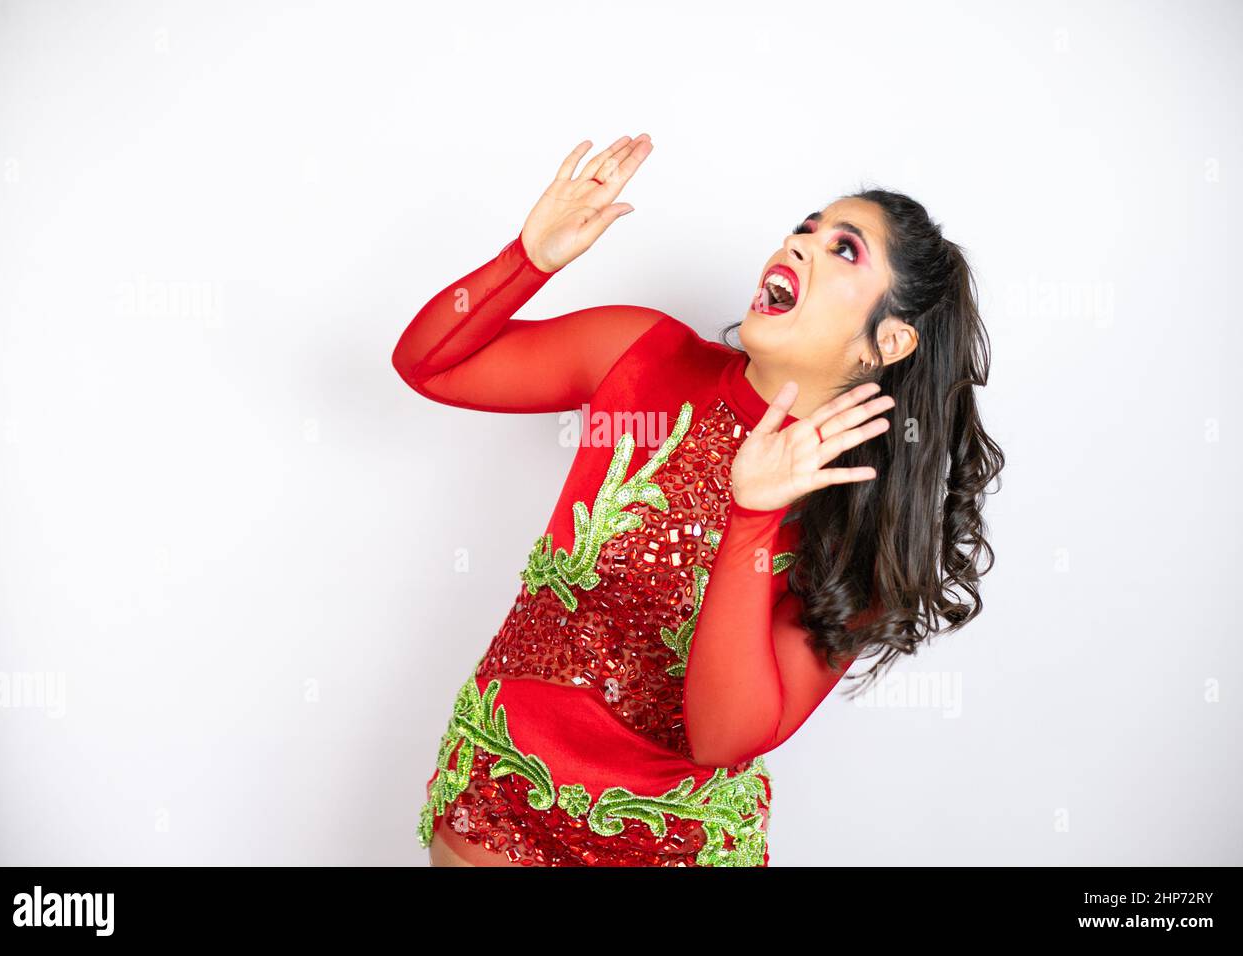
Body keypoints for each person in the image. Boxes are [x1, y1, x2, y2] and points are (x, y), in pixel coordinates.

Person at [393, 134, 1003, 867]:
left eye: (845, 249)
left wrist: (753, 517)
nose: (798, 243)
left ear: (890, 340)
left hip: (672, 842)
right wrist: (529, 259)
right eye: (804, 228)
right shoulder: (644, 354)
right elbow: (428, 365)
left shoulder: (863, 524)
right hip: (500, 791)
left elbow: (722, 736)